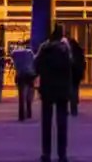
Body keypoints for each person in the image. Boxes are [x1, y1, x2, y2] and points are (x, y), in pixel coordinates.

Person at [36, 25, 72, 162]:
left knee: (46, 123)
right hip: (62, 90)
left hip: (47, 89)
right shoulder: (65, 49)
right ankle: (62, 154)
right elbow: (70, 67)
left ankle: (46, 153)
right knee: (62, 123)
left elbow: (37, 66)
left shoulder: (44, 48)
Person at [11, 42, 37, 120]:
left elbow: (14, 61)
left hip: (20, 75)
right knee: (29, 94)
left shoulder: (16, 53)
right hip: (29, 75)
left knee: (21, 96)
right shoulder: (31, 54)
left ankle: (21, 114)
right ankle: (29, 111)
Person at [67, 34, 85, 116]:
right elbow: (83, 63)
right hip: (77, 73)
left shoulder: (69, 52)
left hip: (71, 73)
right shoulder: (79, 51)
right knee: (75, 88)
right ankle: (74, 106)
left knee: (71, 89)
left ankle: (73, 105)